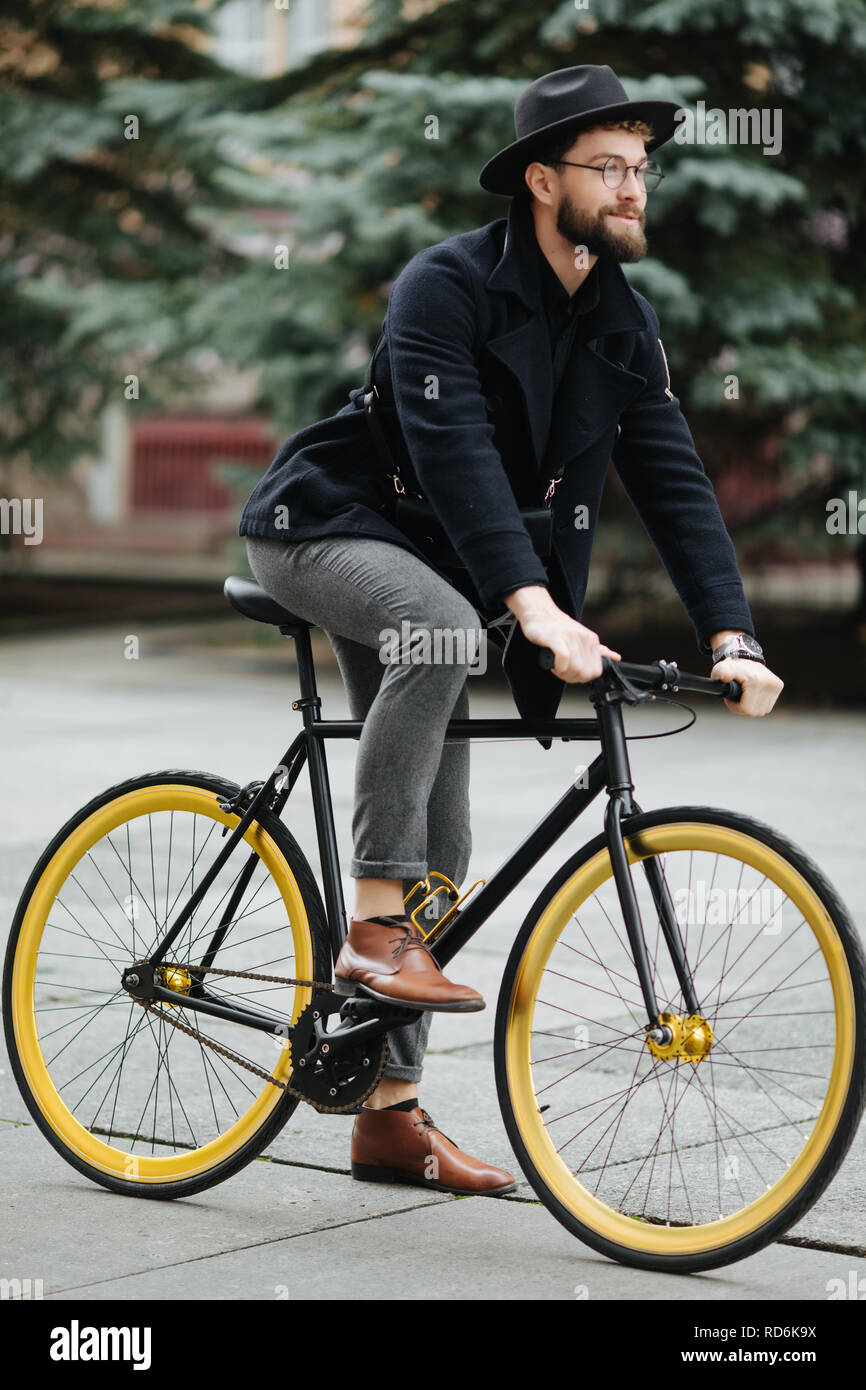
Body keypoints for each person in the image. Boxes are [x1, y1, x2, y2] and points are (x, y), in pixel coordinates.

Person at [239, 64, 784, 1197]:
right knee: (442, 631)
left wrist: (730, 633)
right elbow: (459, 461)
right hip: (321, 526)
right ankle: (369, 930)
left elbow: (673, 481)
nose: (635, 187)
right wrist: (532, 606)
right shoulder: (443, 287)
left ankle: (386, 1116)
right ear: (542, 180)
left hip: (432, 569)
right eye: (609, 167)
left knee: (449, 850)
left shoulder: (620, 320)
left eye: (642, 167)